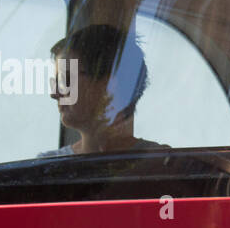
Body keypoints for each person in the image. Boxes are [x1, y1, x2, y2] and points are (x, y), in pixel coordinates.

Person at [43, 23, 164, 156]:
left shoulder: (161, 163)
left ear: (107, 86)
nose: (54, 93)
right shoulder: (46, 167)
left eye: (64, 80)